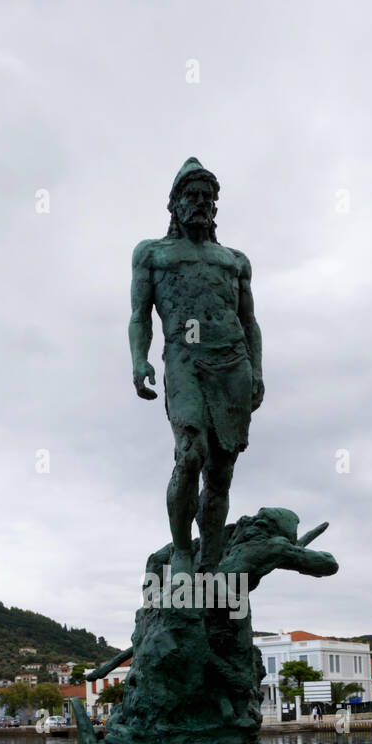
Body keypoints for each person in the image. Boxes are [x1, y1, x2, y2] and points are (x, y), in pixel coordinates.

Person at [129, 158, 264, 573]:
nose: (201, 202)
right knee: (190, 454)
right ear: (175, 203)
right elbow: (139, 315)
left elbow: (249, 321)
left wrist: (257, 371)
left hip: (232, 363)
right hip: (185, 358)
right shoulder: (152, 253)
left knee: (220, 472)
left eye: (208, 197)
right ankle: (183, 550)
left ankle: (210, 558)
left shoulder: (235, 260)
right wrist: (139, 359)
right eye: (192, 195)